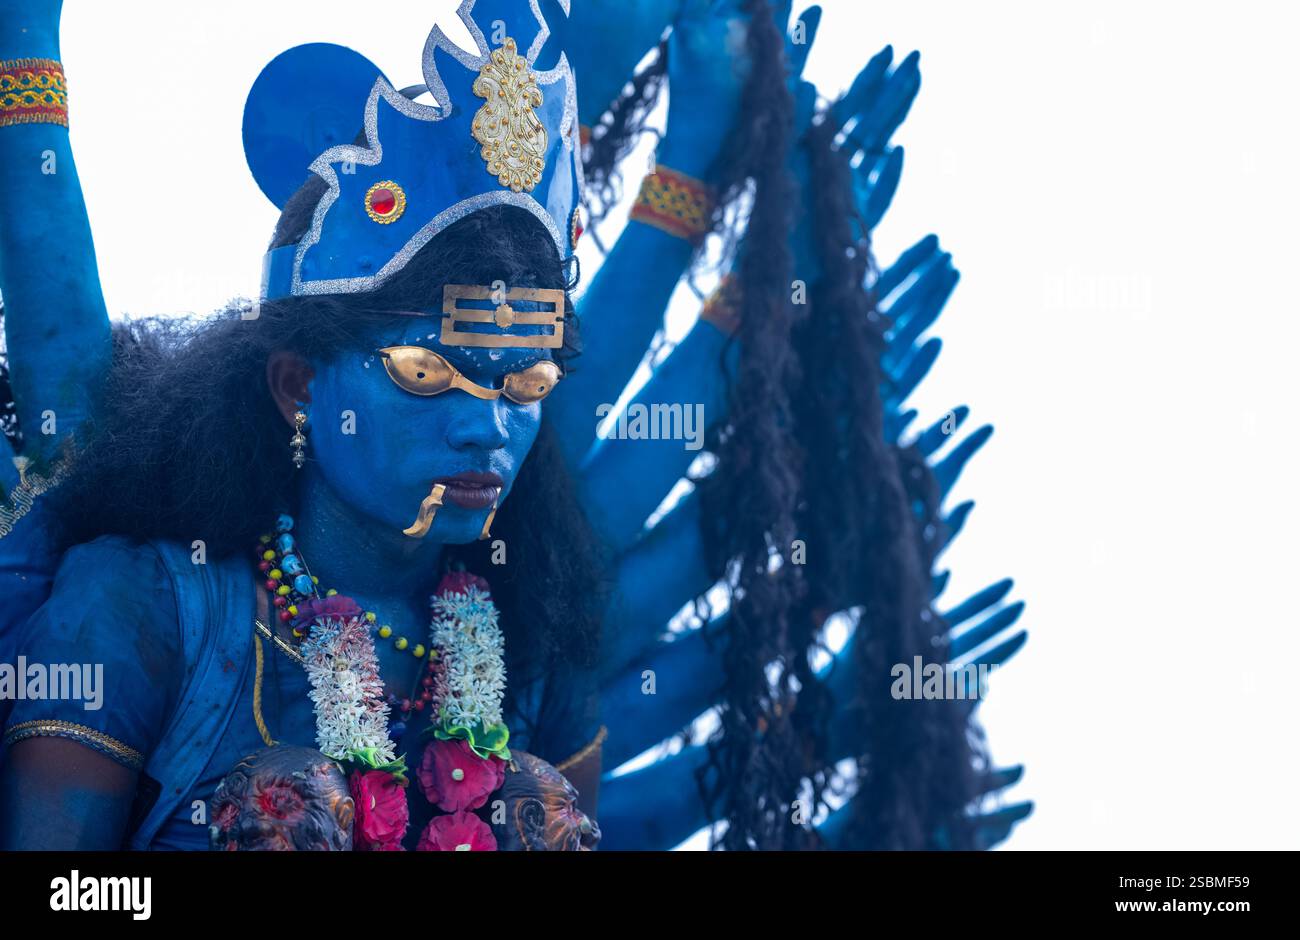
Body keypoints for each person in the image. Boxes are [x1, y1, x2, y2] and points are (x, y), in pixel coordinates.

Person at [0, 0, 1031, 850]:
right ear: (296, 386)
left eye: (524, 383)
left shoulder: (529, 651)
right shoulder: (144, 607)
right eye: (425, 372)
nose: (484, 430)